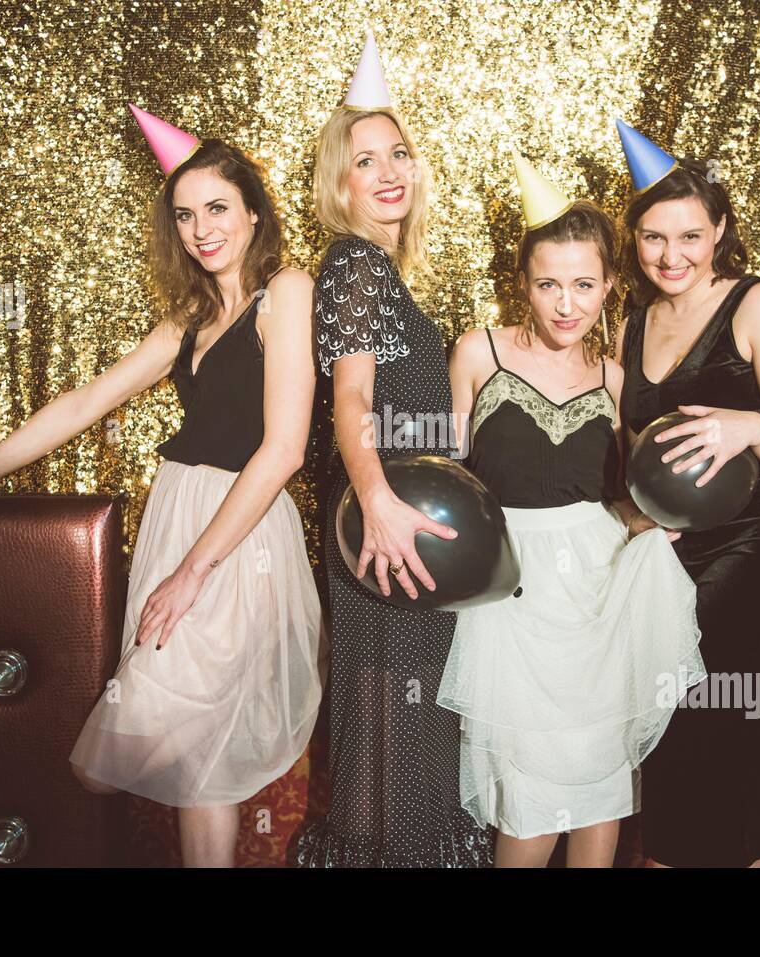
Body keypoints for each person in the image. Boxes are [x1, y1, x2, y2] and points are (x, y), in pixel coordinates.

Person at [0, 109, 322, 868]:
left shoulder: (287, 291)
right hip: (177, 521)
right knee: (200, 762)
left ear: (253, 210)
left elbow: (281, 450)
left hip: (236, 540)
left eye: (217, 207)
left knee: (129, 746)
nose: (201, 228)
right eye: (184, 214)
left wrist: (193, 570)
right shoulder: (188, 318)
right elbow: (84, 402)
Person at [436, 156, 704, 867]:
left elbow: (622, 495)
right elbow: (447, 477)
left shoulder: (616, 378)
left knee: (602, 778)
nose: (566, 303)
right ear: (521, 282)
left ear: (610, 285)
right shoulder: (477, 354)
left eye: (584, 284)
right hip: (510, 591)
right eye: (548, 283)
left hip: (598, 590)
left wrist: (650, 519)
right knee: (526, 791)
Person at [292, 33, 493, 867]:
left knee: (401, 736)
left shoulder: (381, 270)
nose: (388, 173)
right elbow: (349, 399)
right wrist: (376, 500)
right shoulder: (356, 267)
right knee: (394, 743)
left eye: (398, 153)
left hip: (400, 531)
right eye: (364, 160)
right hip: (384, 532)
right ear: (339, 181)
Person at [611, 120, 760, 867]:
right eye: (653, 238)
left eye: (691, 236)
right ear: (633, 238)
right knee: (670, 742)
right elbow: (631, 463)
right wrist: (638, 516)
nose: (672, 256)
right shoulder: (631, 326)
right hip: (671, 564)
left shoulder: (757, 304)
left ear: (721, 230)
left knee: (729, 742)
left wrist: (749, 426)